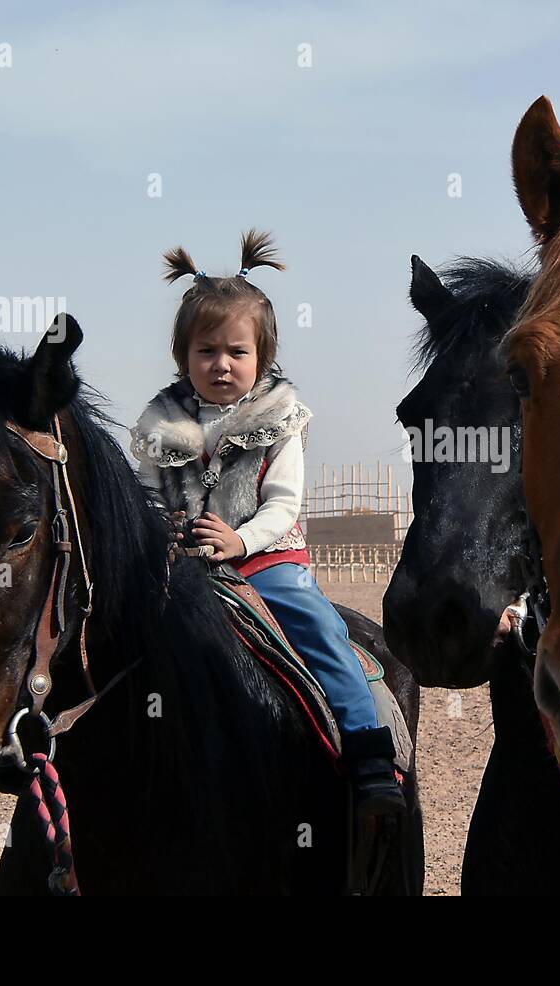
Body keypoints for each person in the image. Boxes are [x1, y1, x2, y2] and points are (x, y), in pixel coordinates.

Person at [131, 230, 405, 818]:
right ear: (183, 357)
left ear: (263, 358)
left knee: (320, 632)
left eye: (237, 352)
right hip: (183, 565)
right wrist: (165, 539)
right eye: (206, 352)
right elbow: (148, 498)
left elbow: (283, 505)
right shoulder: (159, 427)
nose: (221, 364)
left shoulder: (278, 422)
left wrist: (240, 539)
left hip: (267, 560)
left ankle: (368, 754)